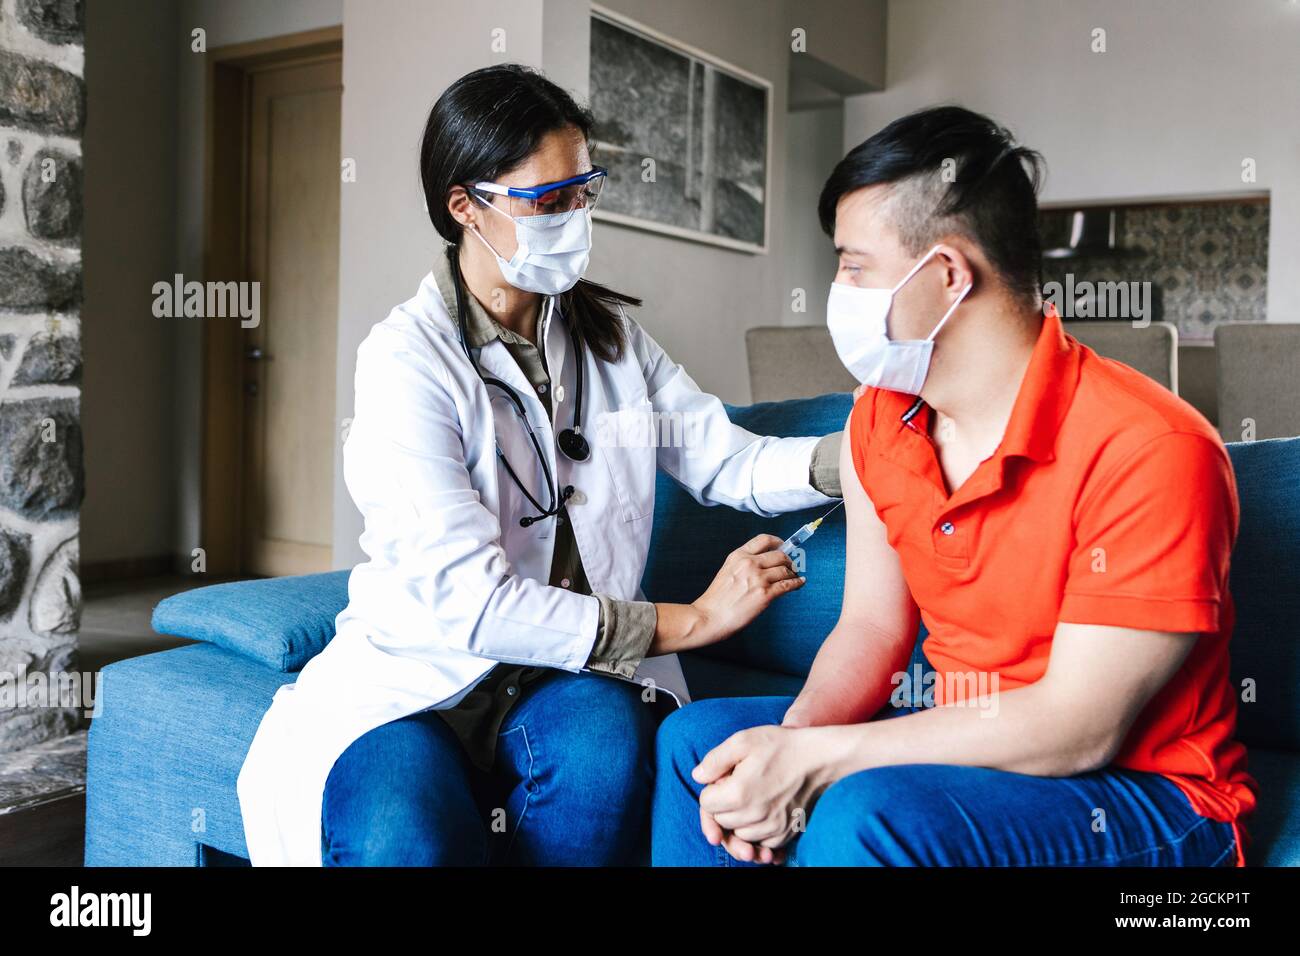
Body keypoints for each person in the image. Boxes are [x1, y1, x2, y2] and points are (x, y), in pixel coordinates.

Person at [234, 64, 842, 867]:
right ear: (465, 208)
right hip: (421, 675)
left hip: (564, 672)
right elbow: (470, 601)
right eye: (548, 201)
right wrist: (690, 619)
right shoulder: (405, 361)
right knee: (403, 834)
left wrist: (853, 458)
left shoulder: (613, 342)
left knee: (602, 759)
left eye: (583, 191)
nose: (575, 217)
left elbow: (723, 457)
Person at [652, 105, 1257, 867]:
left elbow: (1080, 726)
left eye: (853, 264)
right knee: (699, 749)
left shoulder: (1150, 447)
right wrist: (790, 747)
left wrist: (822, 766)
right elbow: (872, 630)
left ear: (946, 275)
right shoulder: (881, 416)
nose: (836, 289)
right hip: (960, 737)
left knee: (866, 816)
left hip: (1147, 791)